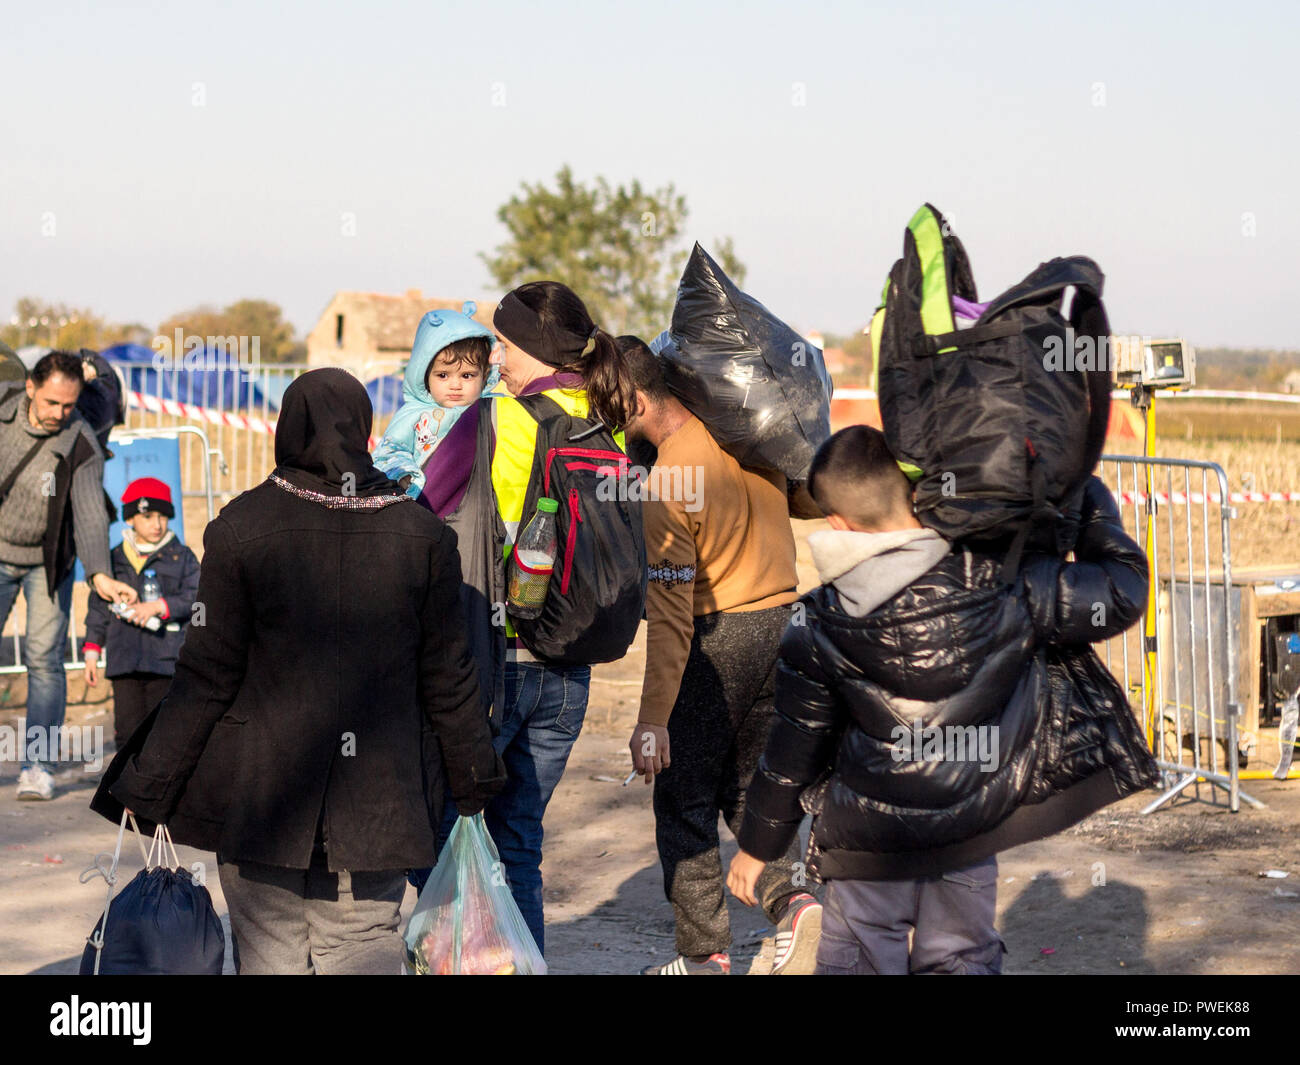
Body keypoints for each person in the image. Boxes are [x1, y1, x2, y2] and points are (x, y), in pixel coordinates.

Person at [92, 368, 506, 975]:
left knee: (271, 955)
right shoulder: (421, 534)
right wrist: (473, 778)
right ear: (364, 430)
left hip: (262, 795)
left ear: (287, 430)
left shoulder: (241, 527)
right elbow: (449, 673)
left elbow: (206, 675)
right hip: (380, 802)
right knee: (363, 946)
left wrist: (149, 783)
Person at [727, 425, 1153, 975]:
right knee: (959, 961)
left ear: (836, 524)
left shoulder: (815, 623)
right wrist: (1082, 485)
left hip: (865, 844)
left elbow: (791, 753)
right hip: (967, 830)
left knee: (859, 963)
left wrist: (757, 846)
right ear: (911, 493)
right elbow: (1121, 590)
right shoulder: (1004, 583)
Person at [430, 279, 636, 955]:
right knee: (518, 844)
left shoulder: (497, 420)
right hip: (571, 667)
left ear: (535, 350)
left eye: (505, 344)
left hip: (497, 661)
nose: (496, 357)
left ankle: (465, 963)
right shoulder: (608, 426)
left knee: (449, 836)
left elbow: (426, 512)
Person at [619, 336, 823, 976]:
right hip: (784, 623)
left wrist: (653, 719)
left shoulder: (669, 478)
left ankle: (703, 956)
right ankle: (793, 904)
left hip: (720, 637)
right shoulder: (745, 438)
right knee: (749, 782)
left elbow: (672, 612)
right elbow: (809, 496)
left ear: (633, 397)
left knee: (682, 800)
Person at [1, 351, 136, 801]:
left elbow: (90, 513)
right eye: (52, 403)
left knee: (44, 660)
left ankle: (38, 765)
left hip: (48, 562)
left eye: (69, 405)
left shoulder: (81, 439)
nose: (60, 413)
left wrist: (98, 573)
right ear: (32, 387)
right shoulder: (2, 417)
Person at [82, 477, 201, 749]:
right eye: (147, 516)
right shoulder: (112, 561)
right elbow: (98, 608)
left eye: (162, 516)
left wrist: (161, 606)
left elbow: (198, 598)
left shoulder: (182, 557)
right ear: (130, 520)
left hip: (166, 661)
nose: (157, 524)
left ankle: (162, 791)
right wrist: (91, 651)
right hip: (124, 662)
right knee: (127, 735)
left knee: (163, 735)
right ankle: (126, 791)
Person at [371, 301, 500, 509]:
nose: (455, 385)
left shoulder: (494, 410)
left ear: (485, 376)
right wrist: (404, 473)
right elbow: (390, 450)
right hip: (425, 504)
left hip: (478, 511)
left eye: (467, 375)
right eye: (442, 375)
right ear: (424, 375)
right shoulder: (413, 415)